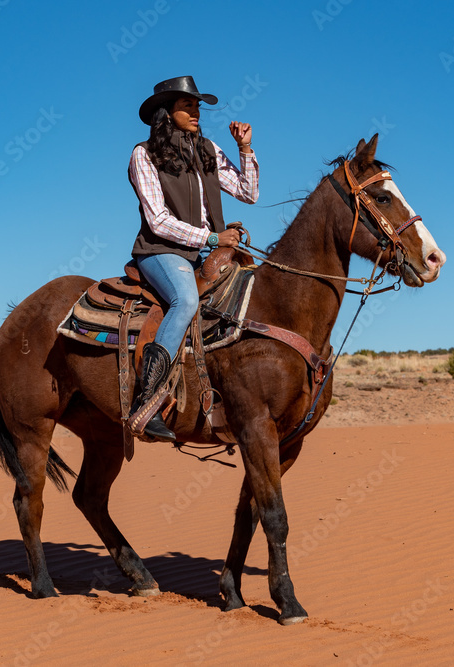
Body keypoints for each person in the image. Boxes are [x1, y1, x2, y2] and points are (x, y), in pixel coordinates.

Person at [128, 76, 258, 441]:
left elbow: (248, 193)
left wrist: (245, 149)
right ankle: (146, 401)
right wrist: (212, 237)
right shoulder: (144, 154)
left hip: (208, 249)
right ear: (166, 113)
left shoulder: (208, 150)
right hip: (162, 250)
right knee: (184, 300)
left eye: (198, 106)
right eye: (189, 106)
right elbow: (158, 220)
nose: (197, 112)